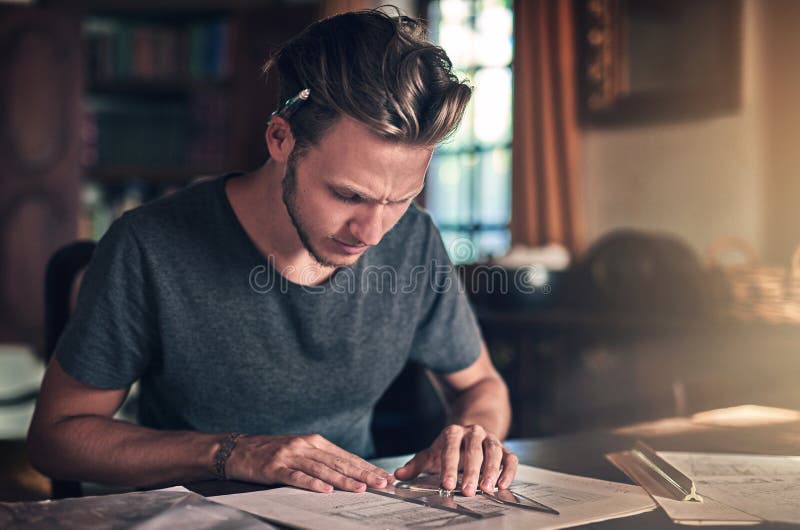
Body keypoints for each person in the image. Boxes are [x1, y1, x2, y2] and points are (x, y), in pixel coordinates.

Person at [28, 8, 516, 497]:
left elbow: (482, 387)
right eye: (348, 195)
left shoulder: (414, 241)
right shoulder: (149, 245)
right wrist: (234, 453)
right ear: (281, 138)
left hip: (353, 516)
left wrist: (475, 434)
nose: (372, 231)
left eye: (400, 199)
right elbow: (56, 438)